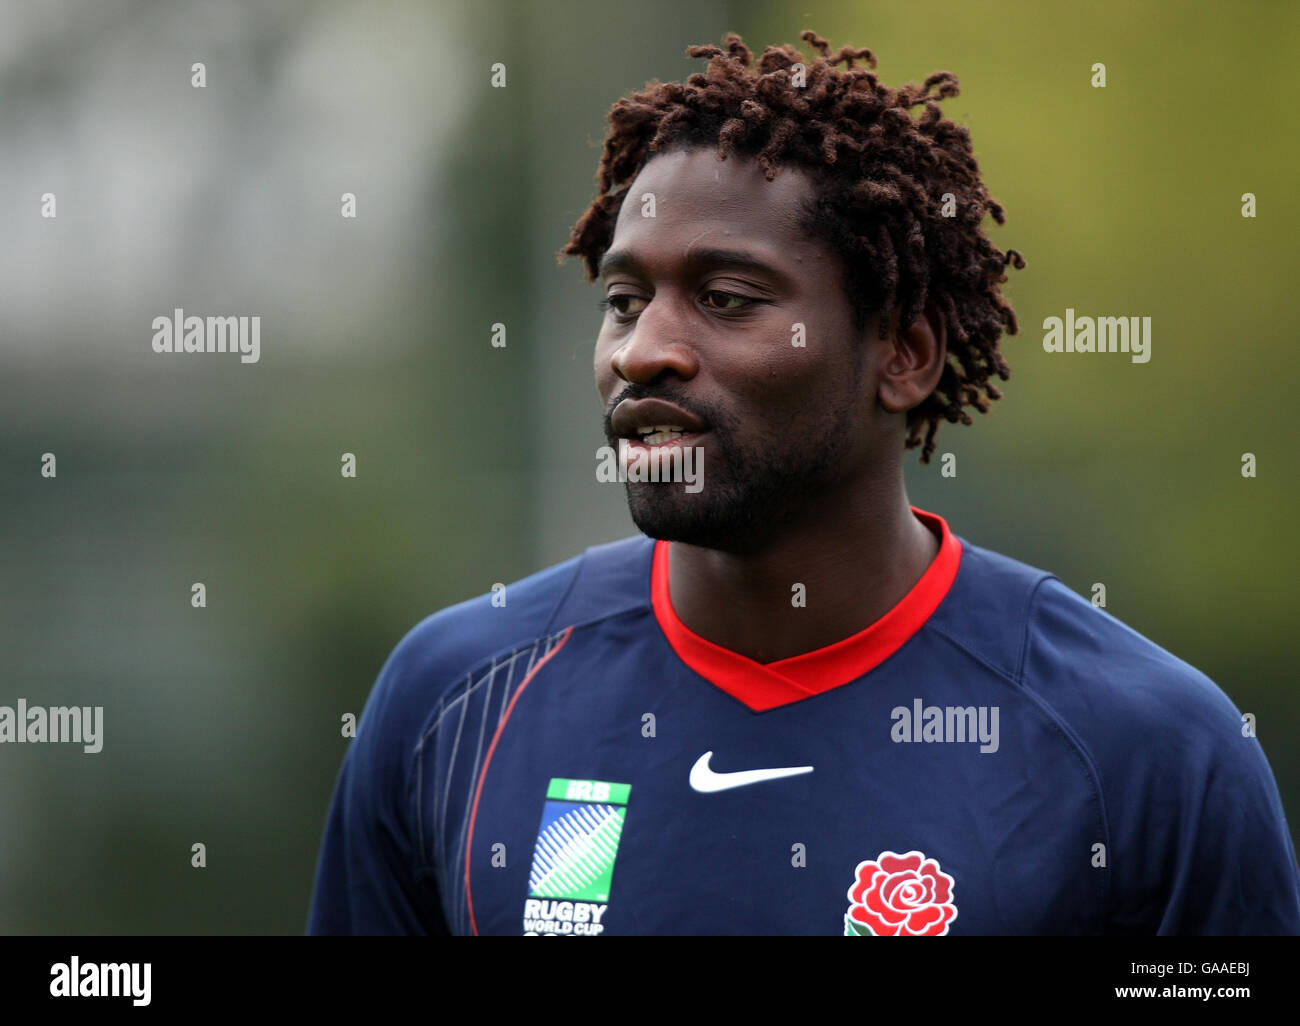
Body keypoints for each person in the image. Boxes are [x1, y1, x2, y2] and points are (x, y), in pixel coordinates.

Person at [307, 30, 1300, 936]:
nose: (643, 351)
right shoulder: (456, 702)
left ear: (903, 355)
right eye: (622, 301)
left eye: (725, 299)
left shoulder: (1146, 751)